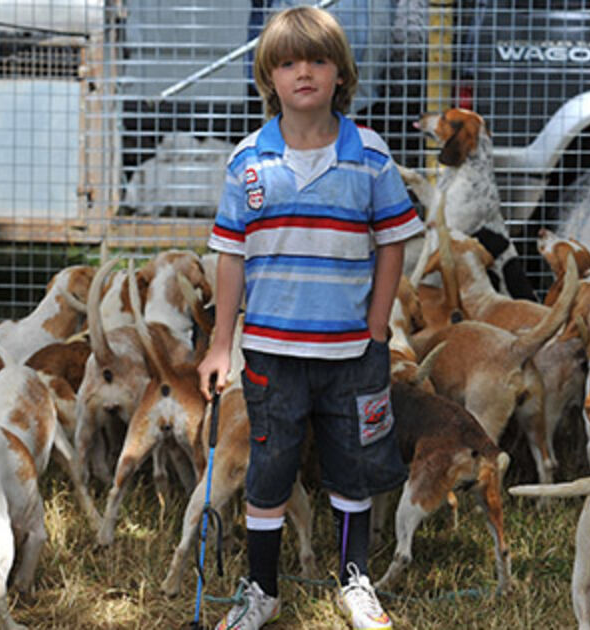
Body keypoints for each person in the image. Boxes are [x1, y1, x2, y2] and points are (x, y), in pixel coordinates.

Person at [197, 6, 424, 630]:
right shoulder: (249, 161)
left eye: (318, 60)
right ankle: (262, 591)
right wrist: (221, 345)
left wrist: (376, 325)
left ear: (340, 73)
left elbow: (394, 241)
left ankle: (355, 583)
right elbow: (231, 255)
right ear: (268, 77)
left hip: (352, 355)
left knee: (352, 470)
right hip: (271, 354)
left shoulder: (369, 155)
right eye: (288, 62)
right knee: (269, 471)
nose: (304, 72)